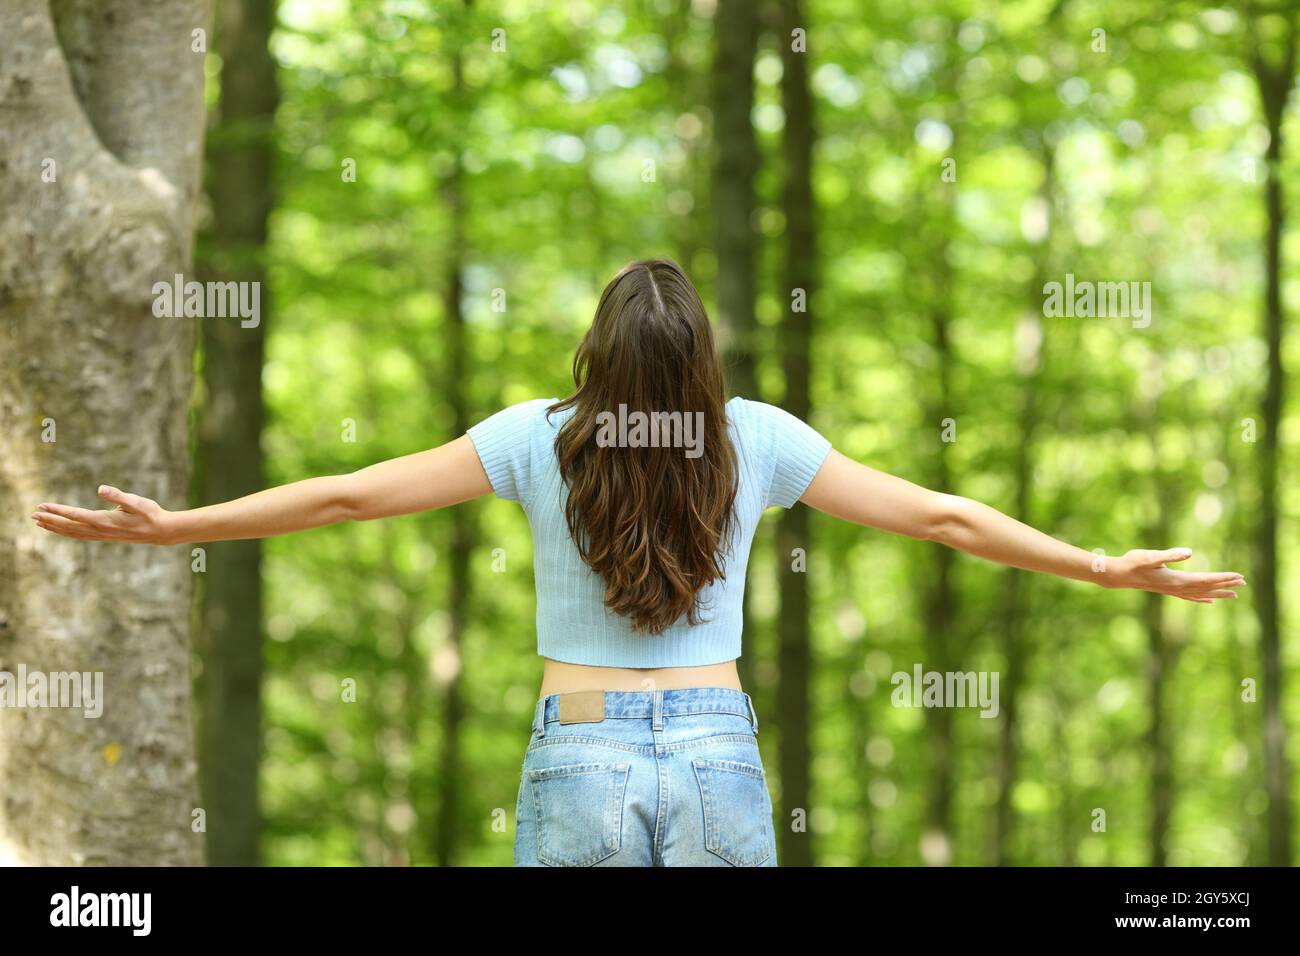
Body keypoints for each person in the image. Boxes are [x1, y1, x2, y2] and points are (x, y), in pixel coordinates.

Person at [31, 258, 1246, 867]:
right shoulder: (760, 440)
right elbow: (942, 518)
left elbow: (348, 496)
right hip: (718, 749)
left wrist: (177, 526)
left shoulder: (531, 440)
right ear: (703, 366)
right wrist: (1101, 565)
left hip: (581, 744)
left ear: (596, 359)